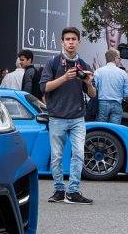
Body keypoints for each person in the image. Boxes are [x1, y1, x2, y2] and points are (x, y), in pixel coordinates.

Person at [41, 27, 96, 204]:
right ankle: (58, 189)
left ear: (79, 41)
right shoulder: (53, 62)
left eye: (74, 39)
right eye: (67, 39)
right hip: (57, 117)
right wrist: (64, 78)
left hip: (78, 117)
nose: (71, 42)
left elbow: (93, 94)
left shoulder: (84, 65)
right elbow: (44, 87)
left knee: (79, 153)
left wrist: (88, 83)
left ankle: (73, 191)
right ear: (62, 42)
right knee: (57, 156)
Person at [93, 49, 128, 124]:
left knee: (101, 128)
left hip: (102, 103)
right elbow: (127, 93)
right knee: (114, 129)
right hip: (117, 103)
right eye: (119, 58)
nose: (120, 60)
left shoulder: (98, 72)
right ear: (115, 58)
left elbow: (94, 88)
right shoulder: (122, 73)